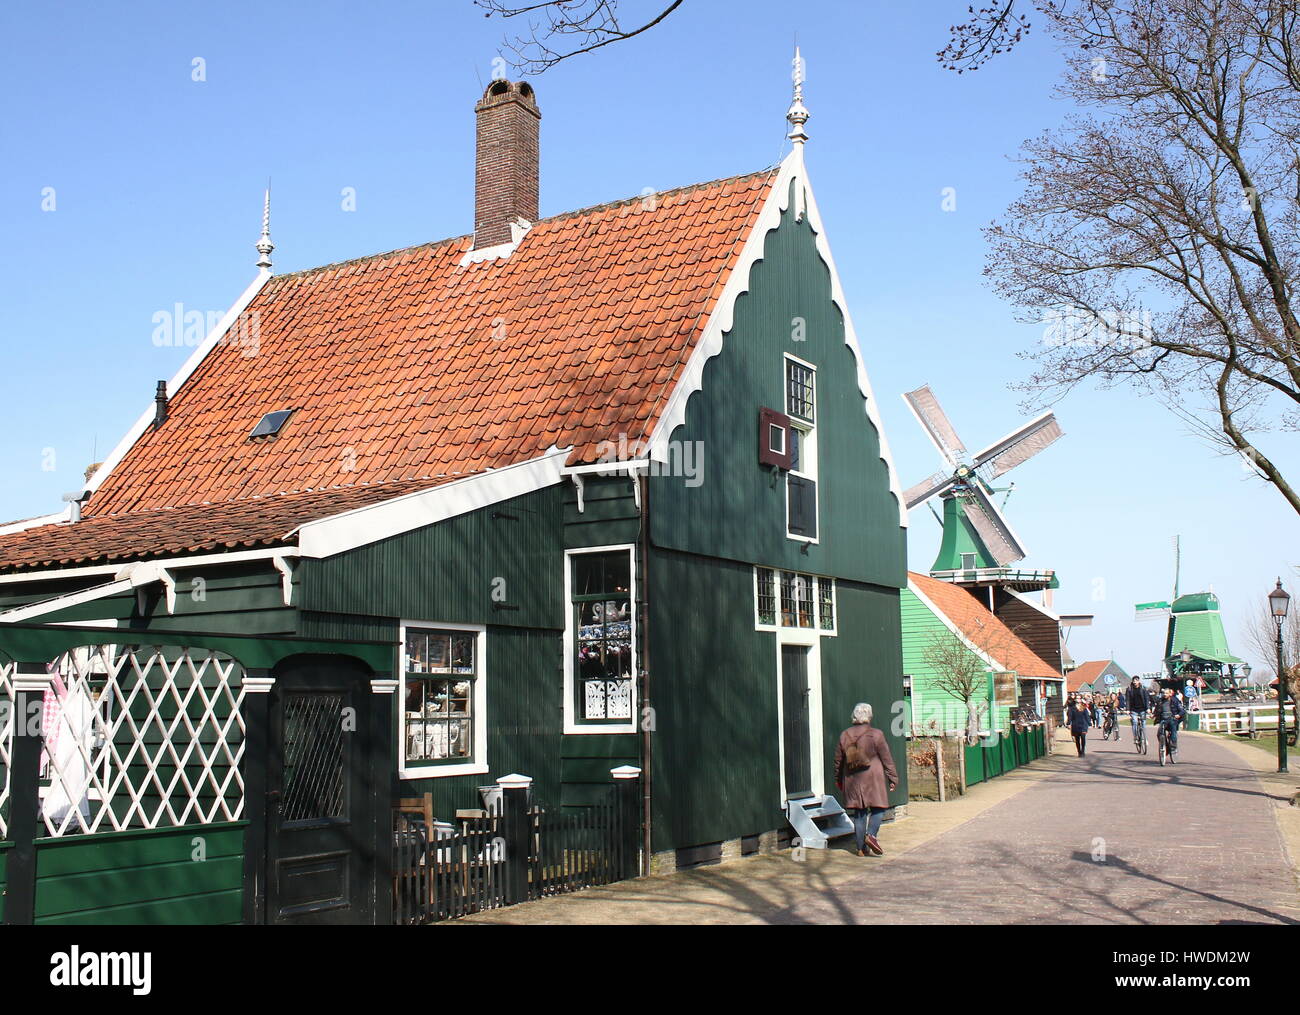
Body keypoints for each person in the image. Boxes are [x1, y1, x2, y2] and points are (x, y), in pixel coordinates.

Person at [834, 702, 898, 857]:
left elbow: (838, 761)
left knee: (859, 813)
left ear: (854, 716)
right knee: (879, 808)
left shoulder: (845, 734)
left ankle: (861, 848)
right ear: (869, 716)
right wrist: (893, 777)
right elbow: (886, 758)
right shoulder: (876, 734)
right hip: (873, 779)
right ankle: (871, 835)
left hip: (852, 779)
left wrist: (838, 779)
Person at [1152, 686, 1186, 760]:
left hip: (1172, 719)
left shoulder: (1175, 700)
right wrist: (1153, 715)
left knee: (1173, 732)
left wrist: (1178, 715)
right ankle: (1165, 746)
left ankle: (1173, 747)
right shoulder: (1160, 701)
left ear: (1170, 694)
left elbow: (1182, 710)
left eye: (1166, 693)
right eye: (1164, 693)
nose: (1165, 694)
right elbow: (1157, 710)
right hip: (1163, 720)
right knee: (1159, 734)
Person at [1125, 676, 1150, 746]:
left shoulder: (1143, 688)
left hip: (1142, 709)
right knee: (1135, 722)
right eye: (1134, 680)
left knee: (1144, 724)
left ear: (1139, 681)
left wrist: (1148, 708)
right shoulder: (1129, 689)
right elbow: (1127, 699)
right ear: (1132, 681)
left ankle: (1144, 739)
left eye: (1136, 680)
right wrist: (1127, 709)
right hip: (1133, 709)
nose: (1135, 682)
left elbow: (1146, 698)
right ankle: (1135, 737)